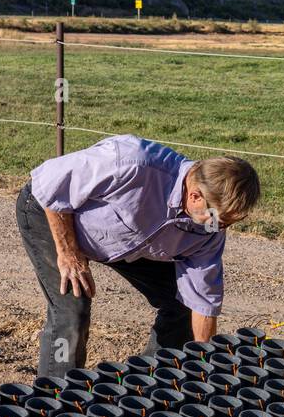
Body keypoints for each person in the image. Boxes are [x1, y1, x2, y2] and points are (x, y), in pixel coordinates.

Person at [16, 135, 261, 375]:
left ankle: (148, 383)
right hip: (53, 213)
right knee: (72, 311)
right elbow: (50, 182)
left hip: (127, 241)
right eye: (219, 218)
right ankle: (54, 399)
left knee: (181, 304)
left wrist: (202, 363)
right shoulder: (132, 162)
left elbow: (201, 299)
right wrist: (68, 252)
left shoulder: (210, 227)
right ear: (195, 196)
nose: (220, 228)